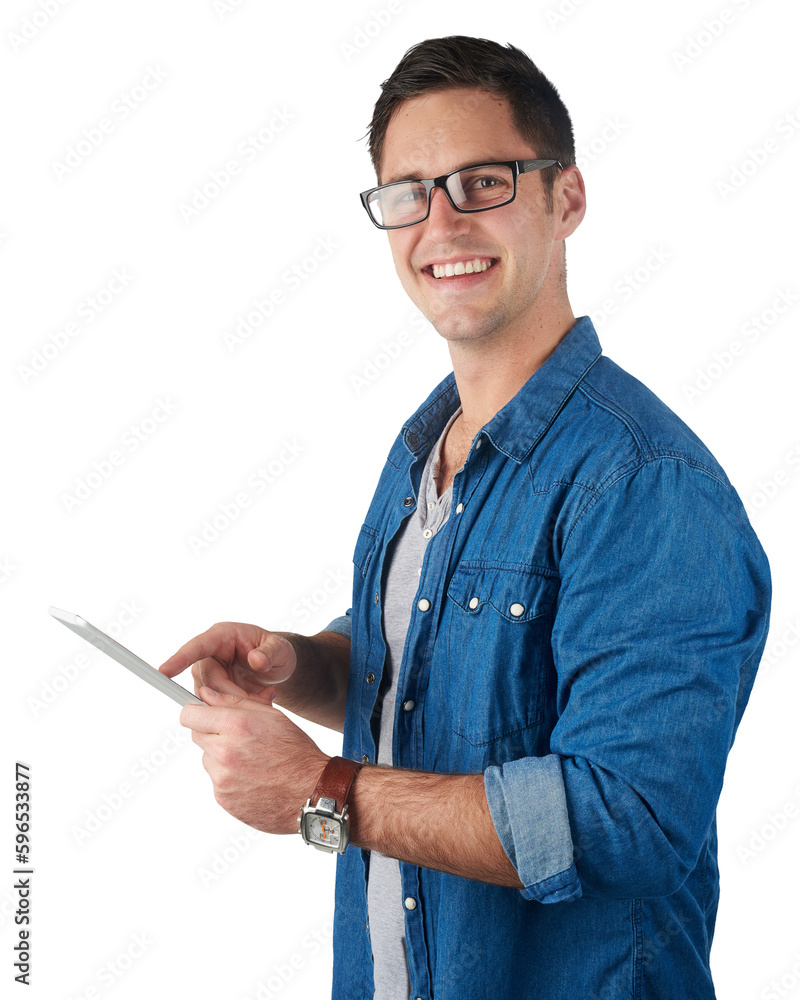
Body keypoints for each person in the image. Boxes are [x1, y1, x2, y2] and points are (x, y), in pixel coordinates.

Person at [159, 35, 772, 1000]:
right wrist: (306, 665)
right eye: (408, 192)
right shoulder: (426, 449)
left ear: (564, 198)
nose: (440, 222)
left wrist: (321, 793)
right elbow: (454, 663)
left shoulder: (645, 484)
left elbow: (630, 820)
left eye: (481, 181)